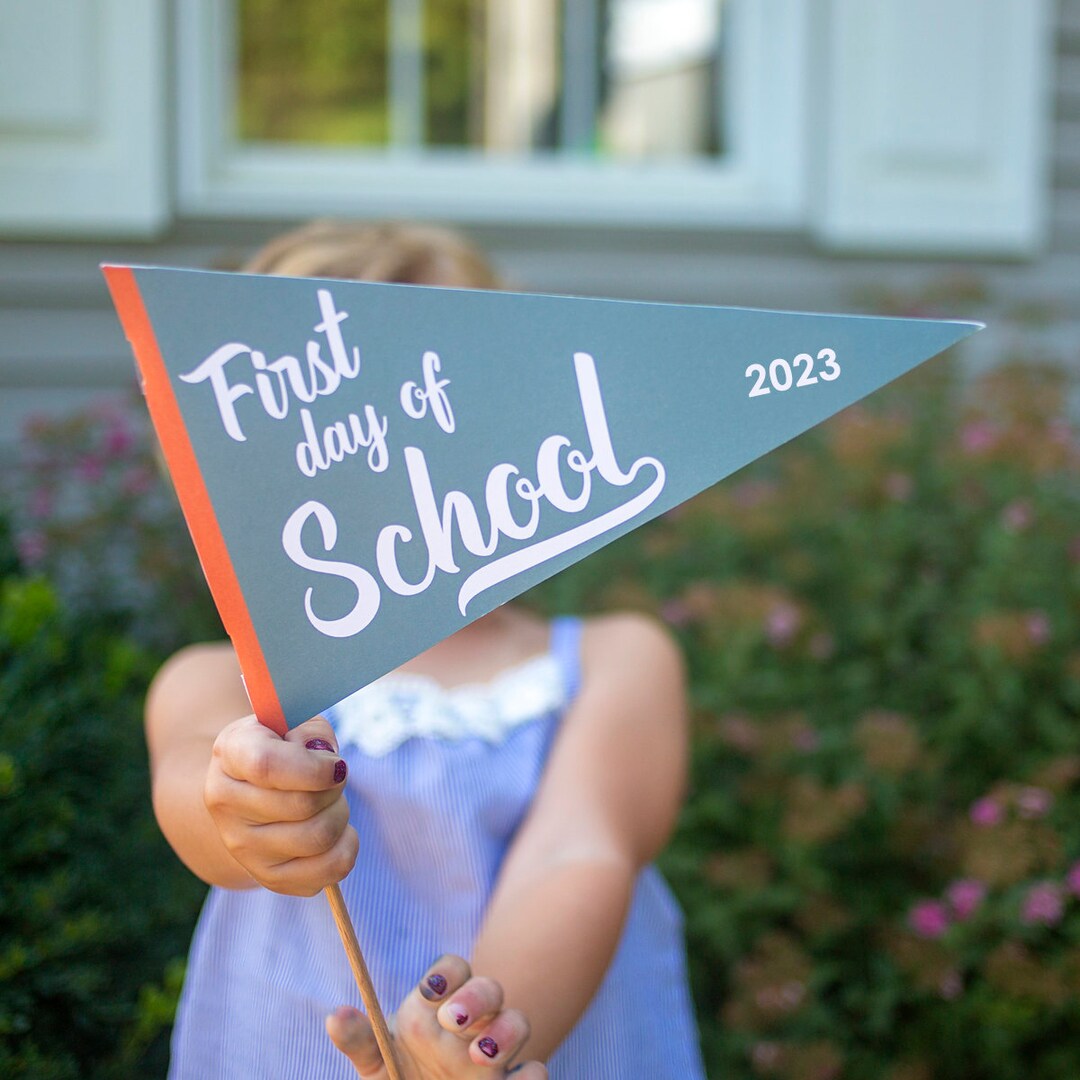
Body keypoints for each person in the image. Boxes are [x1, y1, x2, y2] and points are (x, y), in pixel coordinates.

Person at [146, 220, 706, 1079]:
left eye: (448, 401)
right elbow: (197, 791)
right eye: (351, 417)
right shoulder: (228, 682)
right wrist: (242, 800)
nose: (398, 450)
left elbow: (579, 850)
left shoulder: (613, 659)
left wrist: (478, 1031)